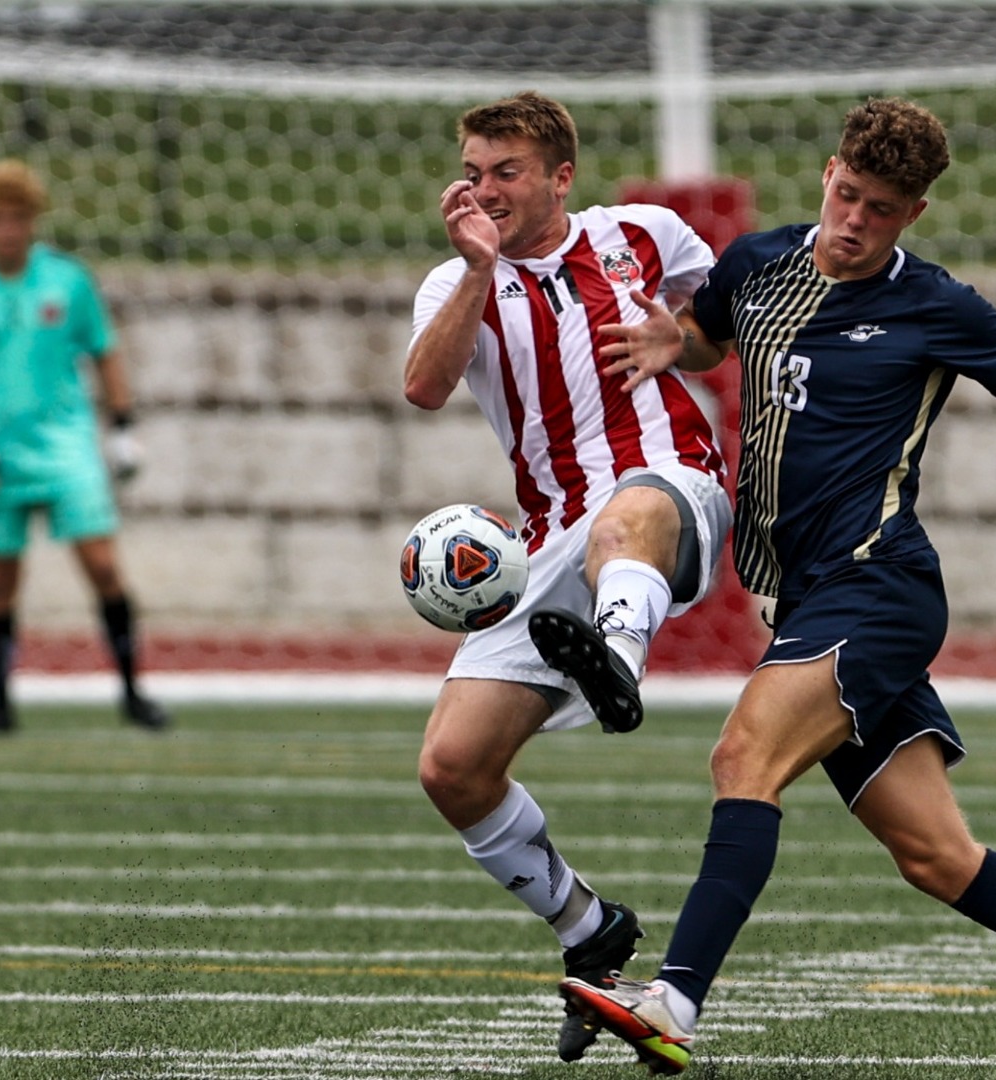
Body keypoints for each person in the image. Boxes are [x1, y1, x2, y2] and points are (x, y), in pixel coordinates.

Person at [559, 98, 996, 1080]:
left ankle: (672, 1004)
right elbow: (709, 334)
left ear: (915, 214)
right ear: (827, 173)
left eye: (882, 207)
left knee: (744, 755)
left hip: (878, 589)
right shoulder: (759, 264)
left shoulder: (936, 304)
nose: (855, 218)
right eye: (847, 193)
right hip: (809, 601)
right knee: (938, 859)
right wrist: (678, 348)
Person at [404, 91, 734, 1061]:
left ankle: (617, 661)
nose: (484, 187)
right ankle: (591, 930)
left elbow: (729, 324)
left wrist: (686, 339)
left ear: (559, 177)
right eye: (473, 169)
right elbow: (424, 386)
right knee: (452, 768)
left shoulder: (643, 233)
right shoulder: (454, 279)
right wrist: (477, 267)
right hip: (544, 537)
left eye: (506, 170)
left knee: (625, 517)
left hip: (671, 486)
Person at [0, 159, 169, 735]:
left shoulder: (67, 280)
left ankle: (134, 691)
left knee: (104, 566)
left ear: (33, 221)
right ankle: (0, 701)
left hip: (66, 448)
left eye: (18, 218)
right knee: (0, 582)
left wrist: (123, 426)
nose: (7, 229)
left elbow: (104, 351)